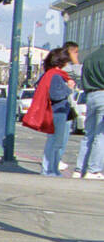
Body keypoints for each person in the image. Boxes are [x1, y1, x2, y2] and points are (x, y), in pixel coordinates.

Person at [33, 48, 76, 176]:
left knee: (53, 141)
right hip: (58, 112)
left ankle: (51, 169)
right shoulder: (56, 76)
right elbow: (56, 95)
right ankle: (50, 169)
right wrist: (69, 88)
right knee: (56, 143)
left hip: (53, 112)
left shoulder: (49, 74)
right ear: (62, 61)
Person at [74, 45, 104, 178]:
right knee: (101, 135)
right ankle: (94, 170)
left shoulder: (89, 58)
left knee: (88, 134)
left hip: (90, 95)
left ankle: (80, 168)